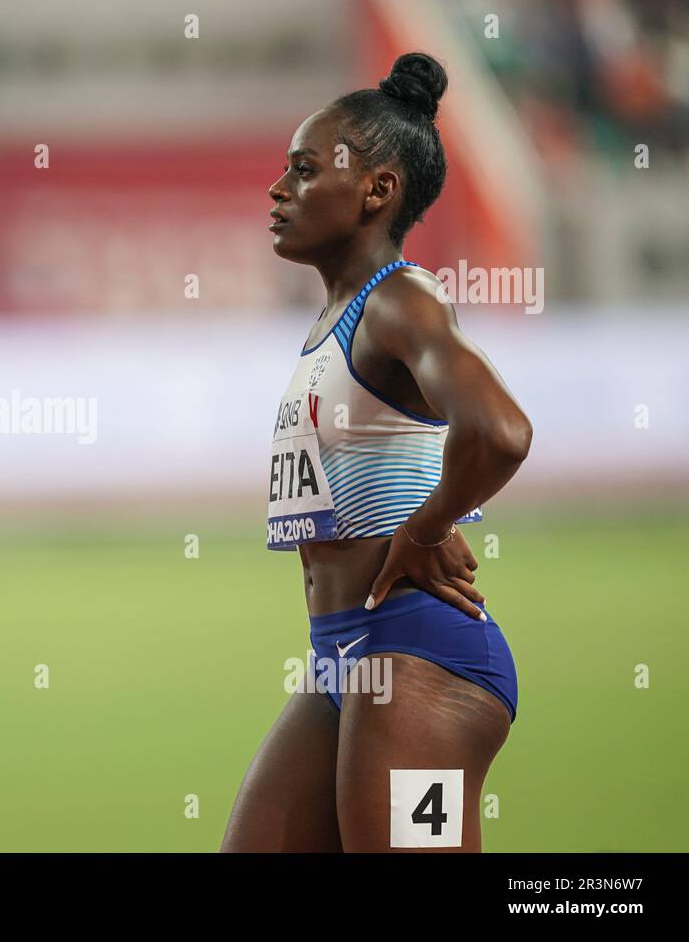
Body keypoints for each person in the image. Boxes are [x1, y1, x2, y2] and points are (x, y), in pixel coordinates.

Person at [221, 52, 533, 852]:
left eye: (305, 169)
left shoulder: (400, 299)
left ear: (376, 190)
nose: (277, 188)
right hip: (343, 663)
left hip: (419, 655)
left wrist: (426, 528)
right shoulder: (336, 320)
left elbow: (501, 430)